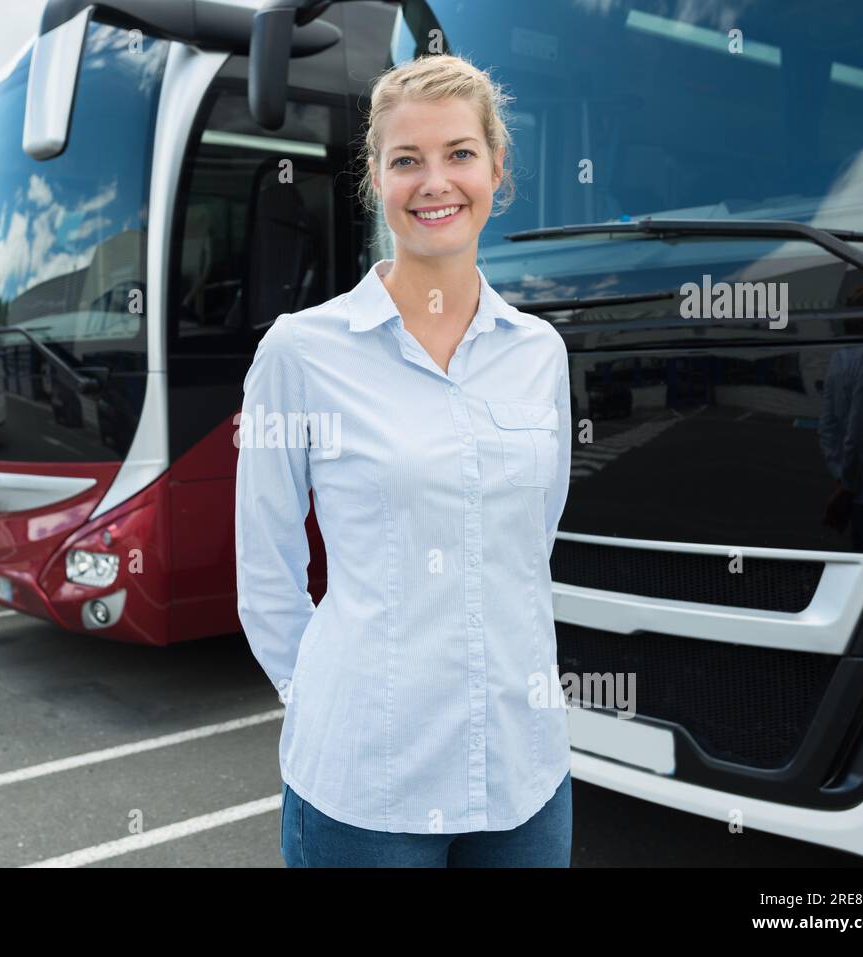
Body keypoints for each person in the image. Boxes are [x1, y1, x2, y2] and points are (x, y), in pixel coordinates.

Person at [234, 53, 573, 867]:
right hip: (367, 786)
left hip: (524, 779)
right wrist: (332, 702)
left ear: (497, 169)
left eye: (459, 153)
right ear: (376, 182)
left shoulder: (540, 353)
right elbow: (266, 568)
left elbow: (530, 551)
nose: (435, 182)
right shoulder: (303, 352)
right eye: (406, 160)